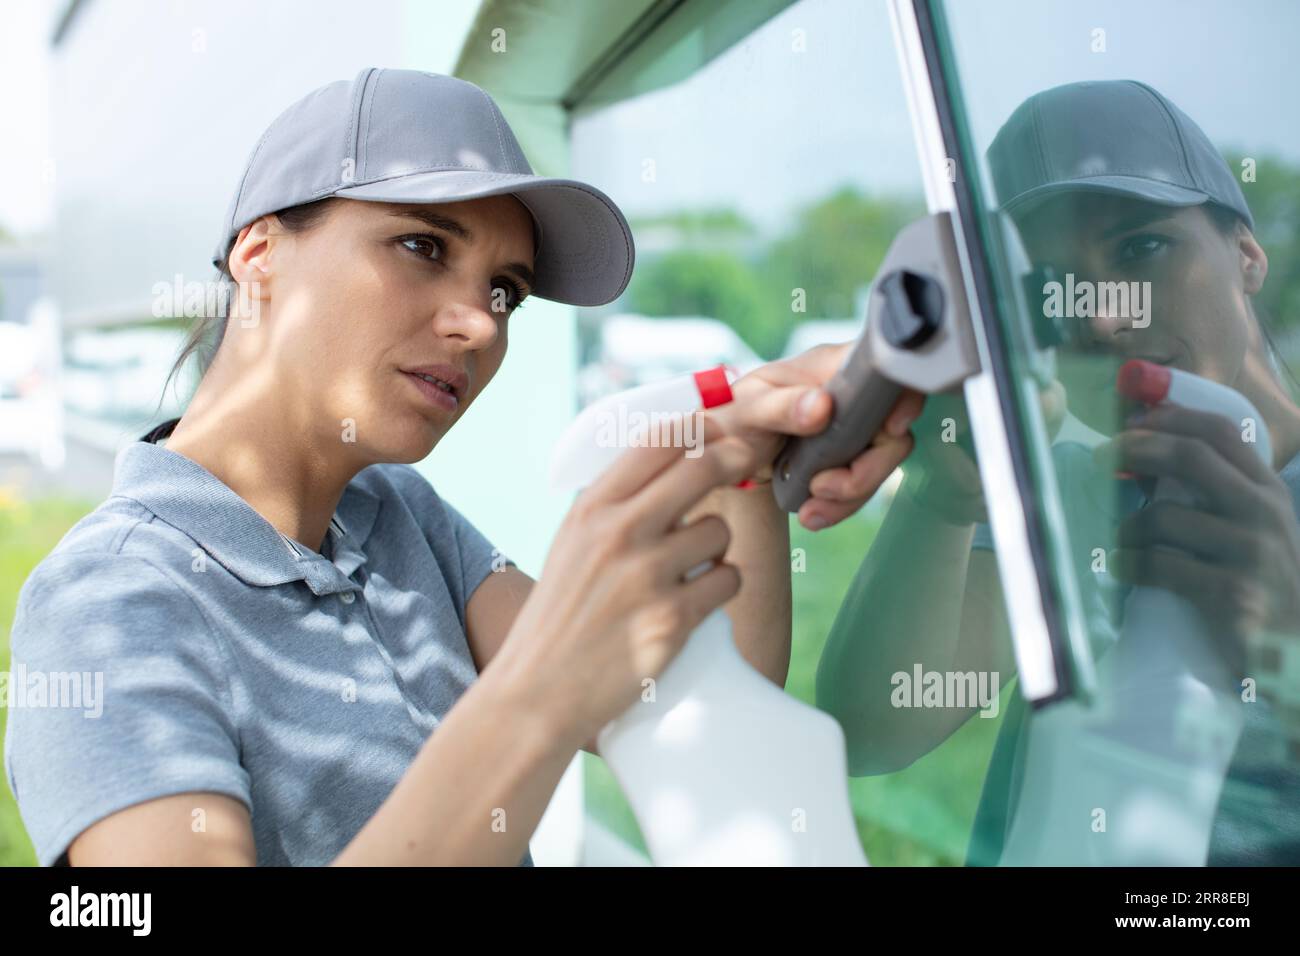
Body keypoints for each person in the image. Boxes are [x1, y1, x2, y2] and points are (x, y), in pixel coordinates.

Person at [3, 68, 922, 867]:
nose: (480, 323)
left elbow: (698, 710)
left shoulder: (401, 516)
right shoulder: (108, 603)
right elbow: (561, 687)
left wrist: (739, 451)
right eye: (423, 246)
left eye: (505, 291)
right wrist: (542, 695)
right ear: (260, 254)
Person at [816, 80, 1300, 864]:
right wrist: (943, 501)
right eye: (1048, 288)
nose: (1099, 317)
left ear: (1245, 255)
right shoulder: (1072, 497)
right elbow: (872, 733)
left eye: (1140, 247)